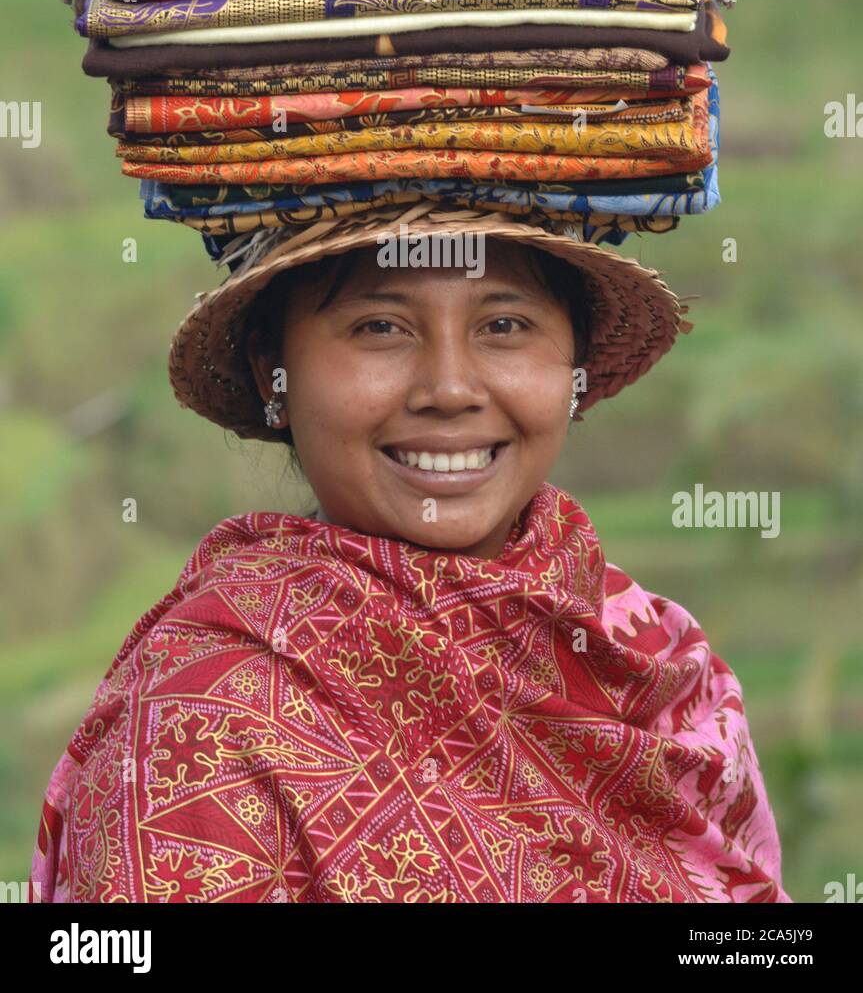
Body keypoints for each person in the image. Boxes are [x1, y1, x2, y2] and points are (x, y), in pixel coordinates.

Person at [29, 203, 791, 903]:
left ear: (574, 364)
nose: (450, 388)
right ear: (275, 373)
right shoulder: (197, 726)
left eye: (504, 326)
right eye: (379, 328)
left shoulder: (657, 661)